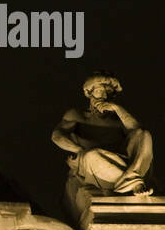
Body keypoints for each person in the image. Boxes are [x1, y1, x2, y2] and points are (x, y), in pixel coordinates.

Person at [51, 72, 153, 203]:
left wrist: (117, 108)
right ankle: (135, 183)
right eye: (99, 91)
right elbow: (57, 136)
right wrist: (78, 150)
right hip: (93, 162)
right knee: (91, 155)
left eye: (108, 93)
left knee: (144, 134)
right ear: (90, 94)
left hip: (122, 162)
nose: (104, 96)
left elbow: (138, 130)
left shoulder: (119, 119)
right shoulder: (78, 115)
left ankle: (132, 180)